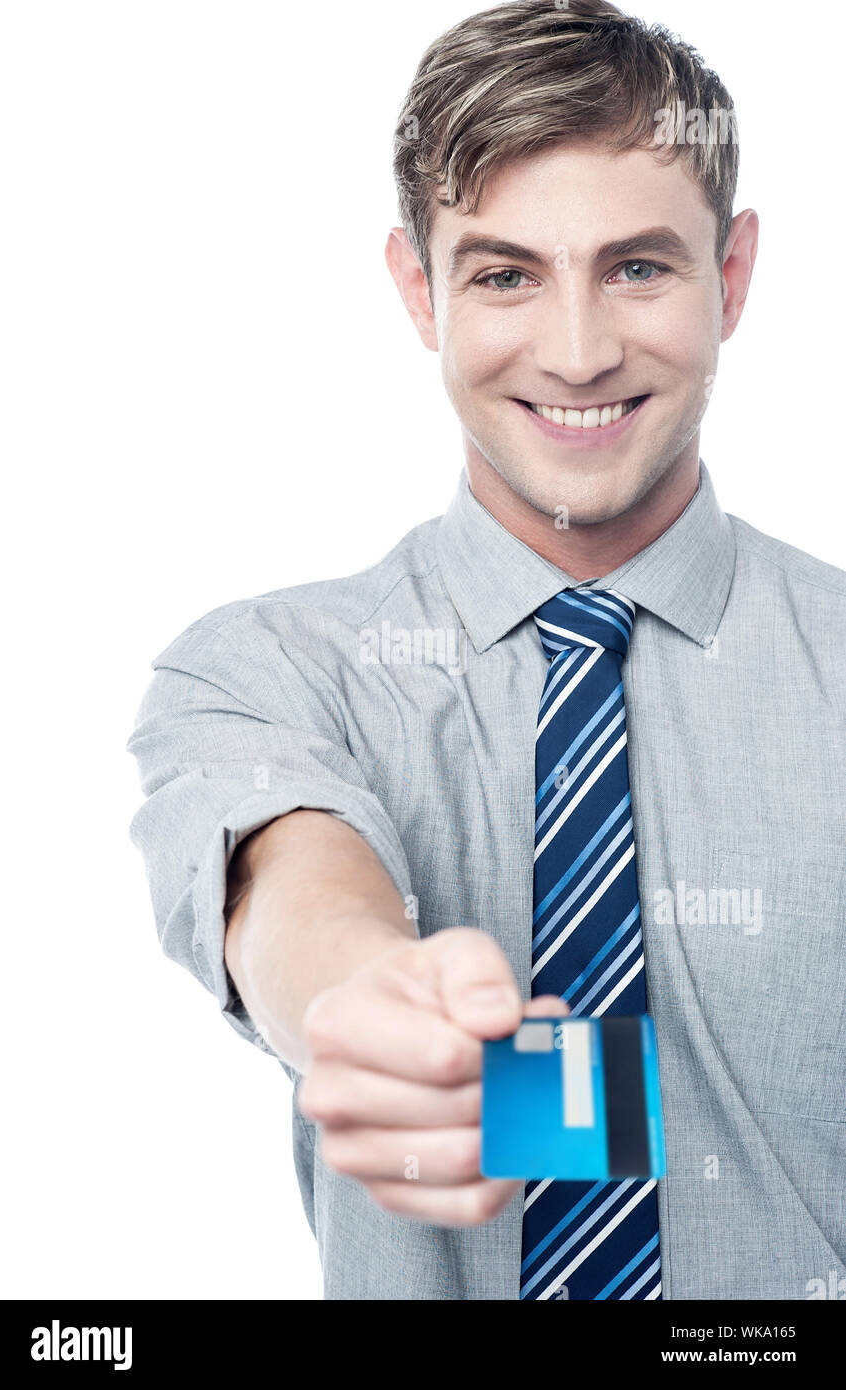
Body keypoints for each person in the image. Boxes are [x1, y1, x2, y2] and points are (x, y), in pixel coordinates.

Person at [126, 0, 846, 1300]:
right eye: (504, 273)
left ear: (731, 277)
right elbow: (287, 869)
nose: (575, 353)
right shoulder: (270, 666)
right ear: (418, 288)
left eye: (637, 267)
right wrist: (366, 995)